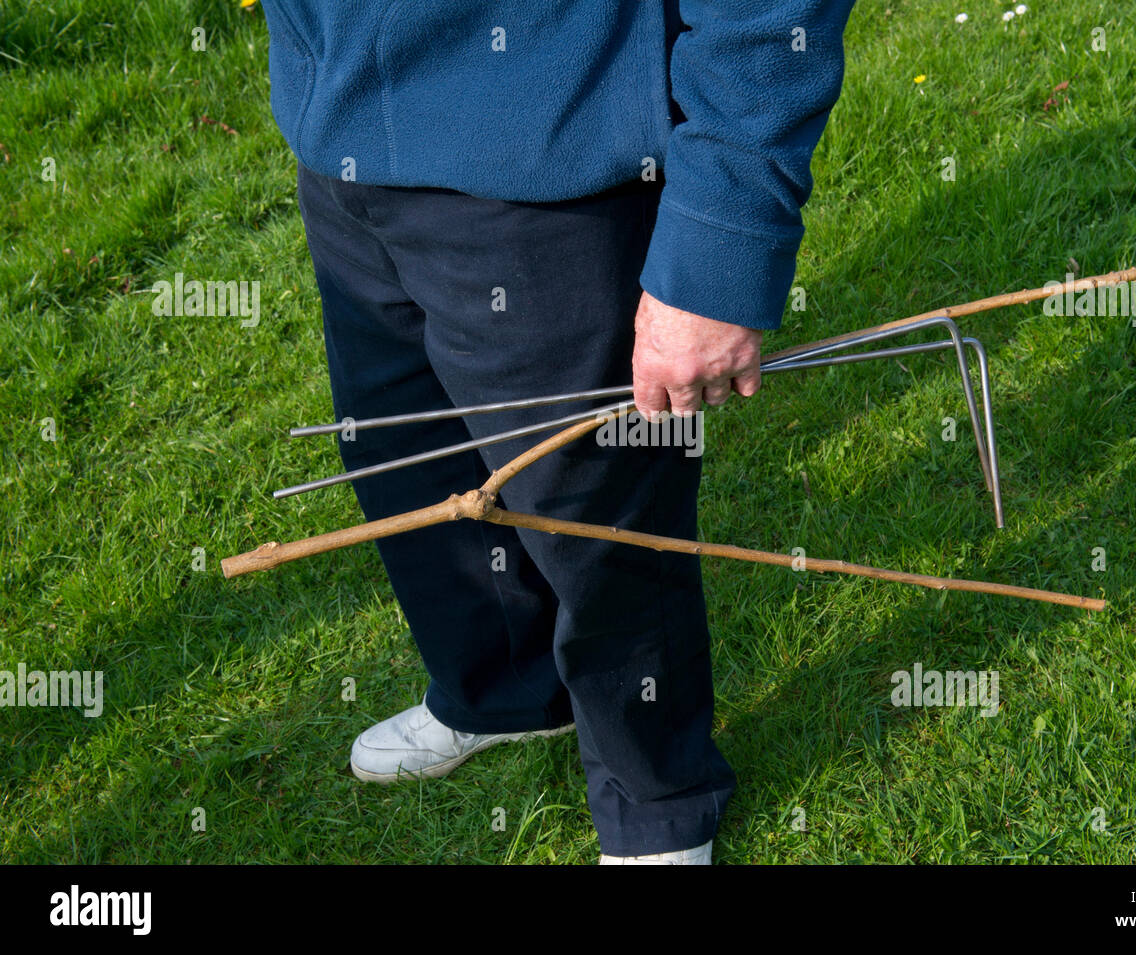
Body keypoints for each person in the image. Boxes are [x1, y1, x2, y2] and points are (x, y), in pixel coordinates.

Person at [259, 0, 855, 864]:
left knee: (595, 521)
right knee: (405, 459)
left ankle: (656, 806)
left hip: (552, 160)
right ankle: (504, 690)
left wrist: (719, 247)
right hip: (342, 141)